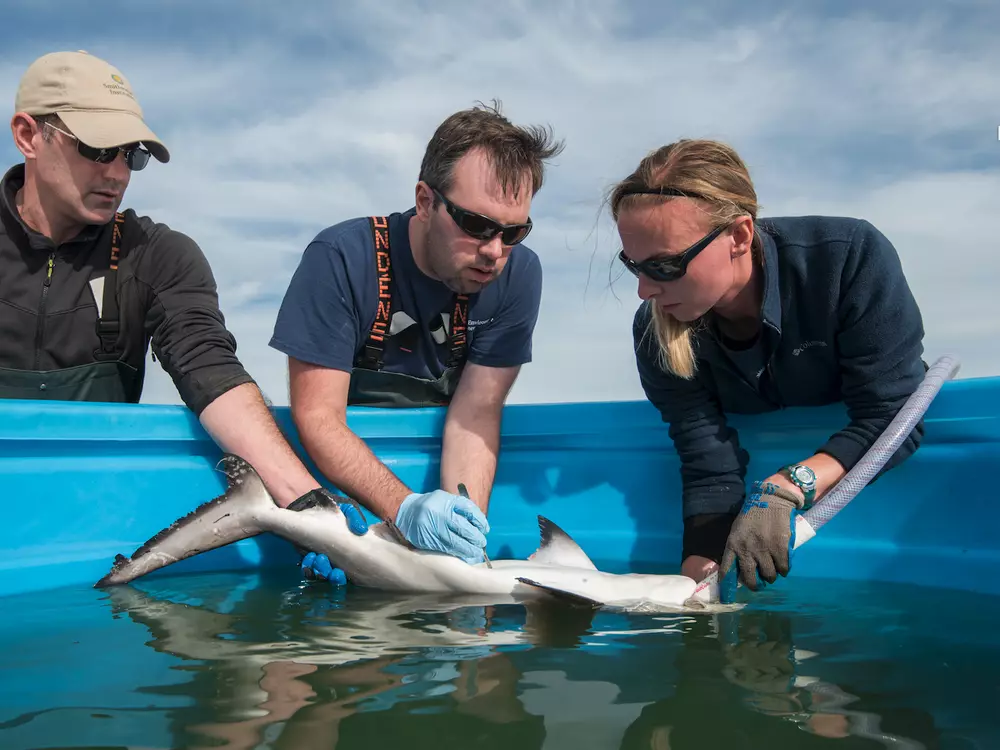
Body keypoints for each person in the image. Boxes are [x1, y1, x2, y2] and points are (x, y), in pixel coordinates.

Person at [2, 49, 331, 512]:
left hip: (95, 508)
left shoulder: (158, 255)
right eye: (97, 149)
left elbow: (209, 369)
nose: (117, 173)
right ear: (28, 135)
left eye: (130, 156)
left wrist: (306, 504)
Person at [609, 138, 927, 602]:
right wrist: (698, 583)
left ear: (739, 235)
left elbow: (897, 419)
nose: (643, 290)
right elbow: (707, 464)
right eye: (633, 265)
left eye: (665, 264)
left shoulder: (849, 259)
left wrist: (786, 487)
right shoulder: (653, 330)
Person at [270, 101, 564, 584]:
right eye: (476, 225)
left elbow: (476, 413)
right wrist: (404, 509)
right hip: (338, 496)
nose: (494, 252)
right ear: (425, 201)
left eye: (514, 232)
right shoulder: (342, 258)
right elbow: (318, 417)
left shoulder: (519, 275)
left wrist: (460, 537)